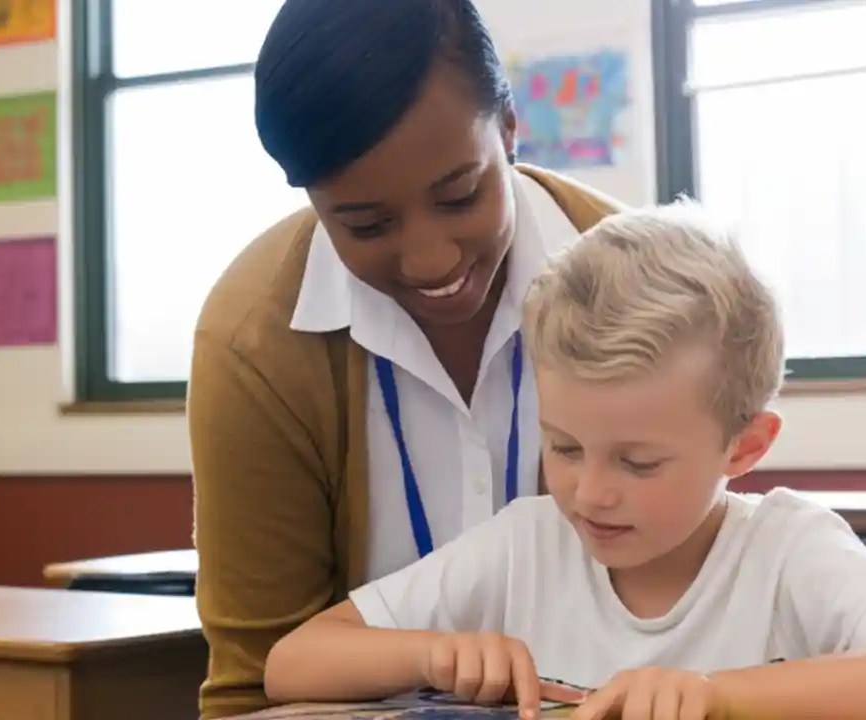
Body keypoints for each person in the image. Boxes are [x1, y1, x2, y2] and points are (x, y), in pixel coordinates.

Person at [262, 202, 866, 720]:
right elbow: (293, 665)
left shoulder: (787, 550)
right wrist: (435, 652)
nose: (590, 492)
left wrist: (713, 696)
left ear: (745, 446)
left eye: (639, 463)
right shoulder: (526, 544)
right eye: (564, 447)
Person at [188, 0, 625, 715]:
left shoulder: (639, 282)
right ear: (313, 200)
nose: (431, 259)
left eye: (460, 196)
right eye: (368, 224)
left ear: (511, 129)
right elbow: (253, 687)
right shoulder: (256, 343)